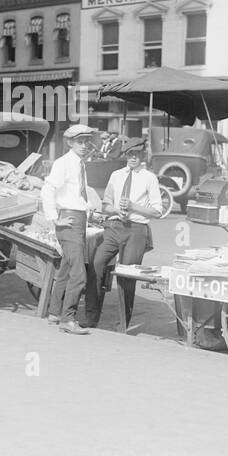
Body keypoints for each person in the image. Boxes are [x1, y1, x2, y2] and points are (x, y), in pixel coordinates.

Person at [85, 138, 163, 331]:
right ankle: (91, 317)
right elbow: (106, 203)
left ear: (142, 155)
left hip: (136, 230)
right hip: (114, 227)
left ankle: (123, 323)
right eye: (129, 154)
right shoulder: (116, 175)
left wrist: (134, 207)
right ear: (125, 155)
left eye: (136, 154)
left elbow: (157, 211)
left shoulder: (149, 178)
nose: (133, 158)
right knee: (97, 263)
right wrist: (114, 211)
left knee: (127, 274)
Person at [40, 123, 98, 335]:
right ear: (70, 143)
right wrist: (55, 218)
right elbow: (47, 190)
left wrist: (89, 209)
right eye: (79, 142)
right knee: (79, 274)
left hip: (79, 219)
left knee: (65, 269)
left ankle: (55, 312)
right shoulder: (63, 163)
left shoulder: (80, 164)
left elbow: (77, 194)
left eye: (86, 141)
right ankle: (68, 318)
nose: (84, 145)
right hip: (69, 221)